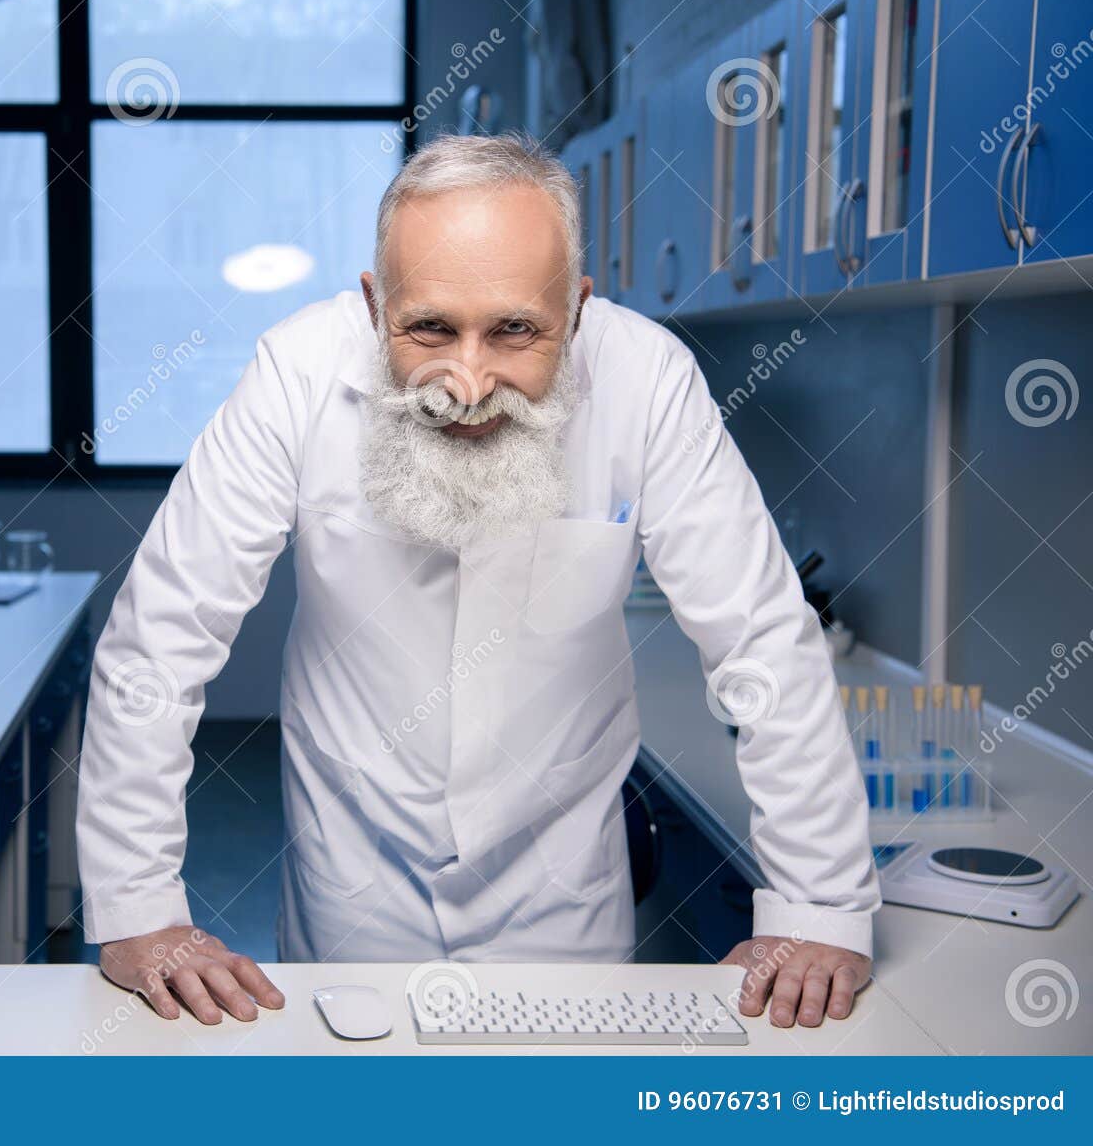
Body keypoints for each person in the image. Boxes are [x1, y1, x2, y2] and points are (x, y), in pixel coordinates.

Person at [76, 133, 877, 1030]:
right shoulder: (296, 373)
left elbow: (760, 634)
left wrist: (819, 904)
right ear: (375, 304)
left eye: (514, 331)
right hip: (353, 885)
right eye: (428, 328)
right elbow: (162, 635)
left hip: (561, 890)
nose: (466, 381)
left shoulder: (646, 378)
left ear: (574, 313)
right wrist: (139, 907)